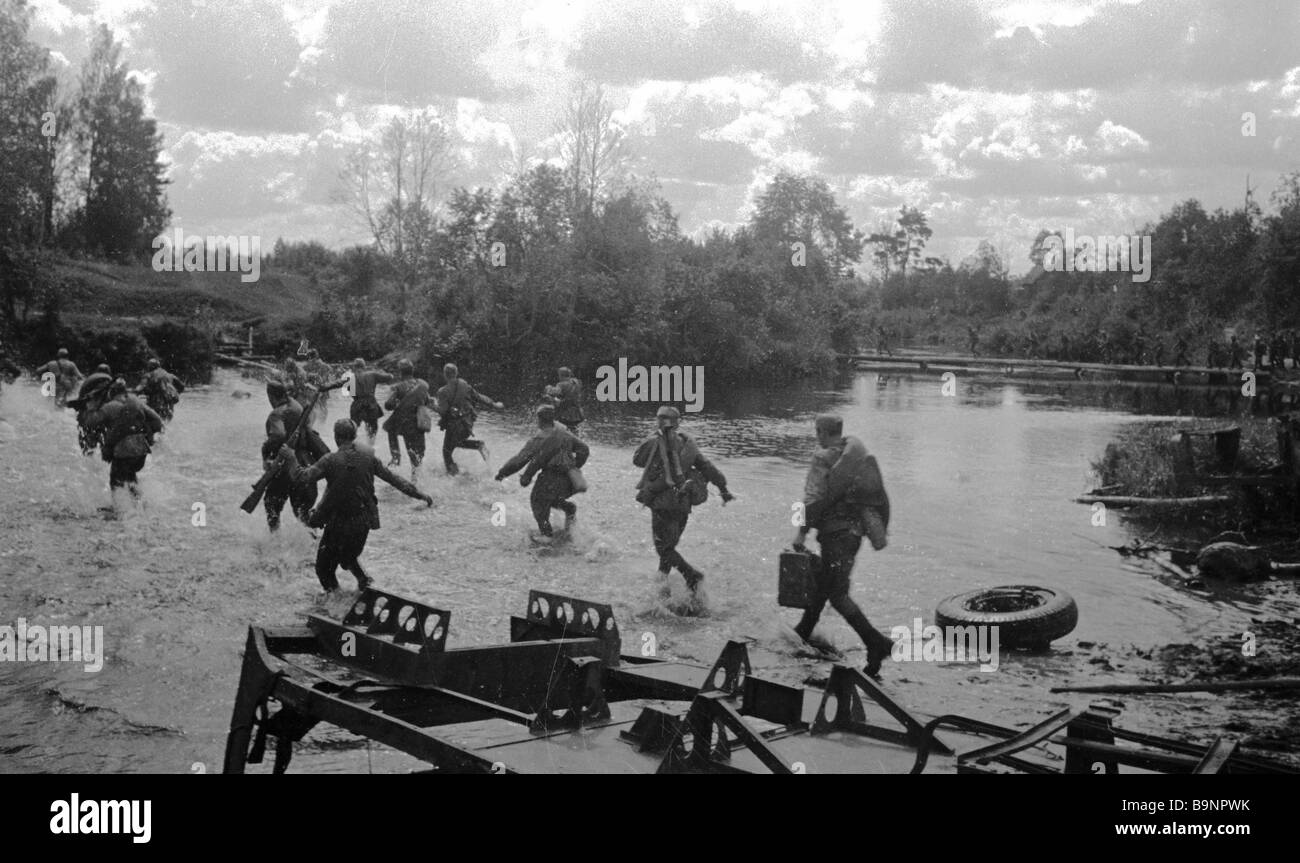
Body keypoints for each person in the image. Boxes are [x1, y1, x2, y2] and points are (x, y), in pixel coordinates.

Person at [791, 414, 894, 678]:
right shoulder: (856, 456)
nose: (817, 436)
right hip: (854, 534)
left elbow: (811, 499)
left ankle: (875, 642)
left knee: (836, 592)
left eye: (817, 431)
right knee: (825, 585)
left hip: (834, 535)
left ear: (822, 432)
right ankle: (802, 633)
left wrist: (800, 532)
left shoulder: (822, 457)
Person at [280, 418, 432, 594]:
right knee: (348, 557)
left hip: (339, 523)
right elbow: (395, 480)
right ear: (354, 437)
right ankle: (364, 583)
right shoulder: (368, 458)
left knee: (324, 569)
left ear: (337, 437)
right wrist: (420, 495)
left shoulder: (330, 460)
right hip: (363, 521)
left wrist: (291, 457)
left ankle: (337, 602)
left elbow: (302, 478)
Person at [632, 405, 734, 592]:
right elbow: (708, 468)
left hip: (663, 503)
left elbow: (637, 460)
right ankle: (662, 583)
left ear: (659, 421)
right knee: (670, 546)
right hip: (683, 503)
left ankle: (690, 575)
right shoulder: (689, 445)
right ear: (677, 423)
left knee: (663, 548)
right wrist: (723, 489)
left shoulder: (654, 442)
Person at [496, 404, 590, 539]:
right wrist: (574, 466)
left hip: (549, 479)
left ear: (539, 420)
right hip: (568, 479)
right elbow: (584, 450)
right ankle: (568, 513)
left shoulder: (539, 438)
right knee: (552, 498)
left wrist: (502, 473)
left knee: (538, 504)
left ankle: (547, 538)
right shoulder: (564, 433)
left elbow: (519, 461)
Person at [261, 379, 329, 532]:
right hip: (305, 463)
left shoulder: (276, 414)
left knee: (272, 507)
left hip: (284, 466)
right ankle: (311, 547)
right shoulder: (297, 406)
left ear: (271, 396)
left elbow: (278, 436)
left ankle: (274, 544)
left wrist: (265, 452)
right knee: (303, 515)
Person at [82, 378, 163, 504]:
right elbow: (157, 420)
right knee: (130, 475)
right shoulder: (136, 401)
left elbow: (90, 423)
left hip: (123, 449)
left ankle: (118, 508)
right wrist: (148, 436)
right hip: (142, 448)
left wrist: (90, 407)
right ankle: (140, 503)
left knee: (115, 479)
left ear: (111, 392)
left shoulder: (110, 406)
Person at [434, 363, 503, 475]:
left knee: (446, 451)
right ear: (456, 373)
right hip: (467, 424)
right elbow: (480, 398)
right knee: (457, 443)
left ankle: (452, 476)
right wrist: (494, 404)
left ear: (445, 375)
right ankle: (478, 445)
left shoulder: (442, 392)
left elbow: (442, 411)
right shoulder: (465, 386)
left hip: (454, 427)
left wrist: (432, 405)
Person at [383, 359, 431, 475]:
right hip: (420, 423)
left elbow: (388, 405)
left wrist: (397, 403)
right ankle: (417, 482)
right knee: (418, 457)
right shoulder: (423, 384)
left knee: (389, 427)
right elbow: (427, 401)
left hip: (406, 425)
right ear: (412, 371)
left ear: (400, 373)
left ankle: (395, 457)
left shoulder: (398, 387)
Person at [71, 364, 115, 454]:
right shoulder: (110, 380)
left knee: (87, 444)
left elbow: (80, 399)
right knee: (105, 442)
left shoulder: (89, 379)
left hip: (86, 415)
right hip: (102, 416)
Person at [348, 358, 394, 441]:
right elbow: (390, 377)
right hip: (371, 405)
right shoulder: (373, 375)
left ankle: (353, 447)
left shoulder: (350, 378)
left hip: (357, 405)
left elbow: (350, 393)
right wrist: (382, 372)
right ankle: (371, 447)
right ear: (364, 367)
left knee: (353, 429)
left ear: (354, 367)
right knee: (372, 430)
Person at [544, 367, 585, 433]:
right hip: (577, 413)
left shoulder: (561, 384)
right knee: (574, 430)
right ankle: (576, 441)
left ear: (560, 375)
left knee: (561, 430)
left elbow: (555, 392)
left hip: (565, 413)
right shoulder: (577, 382)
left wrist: (549, 388)